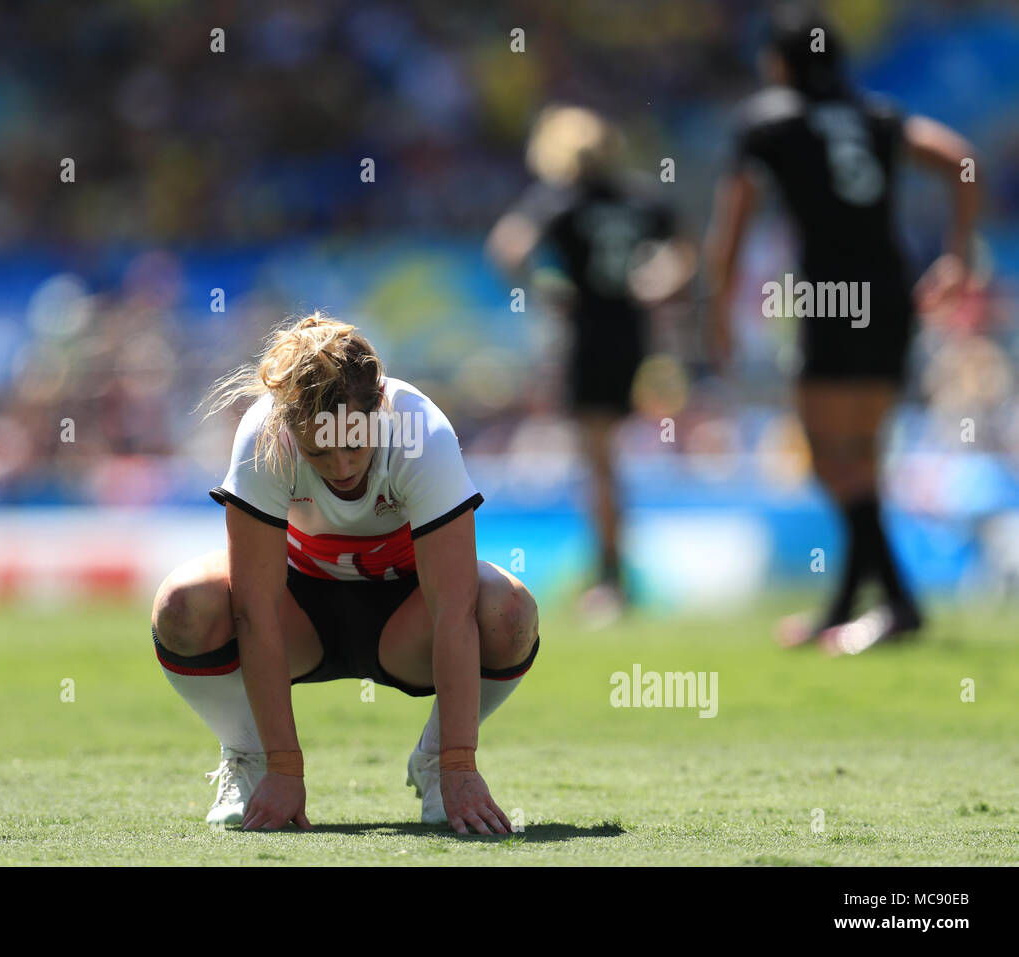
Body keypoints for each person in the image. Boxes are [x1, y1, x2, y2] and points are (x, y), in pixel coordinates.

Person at [151, 313, 540, 833]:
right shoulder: (266, 431)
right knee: (183, 604)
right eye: (317, 451)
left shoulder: (421, 430)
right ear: (289, 427)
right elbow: (256, 610)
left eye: (353, 445)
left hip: (409, 618)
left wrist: (459, 763)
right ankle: (250, 758)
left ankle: (430, 761)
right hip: (298, 614)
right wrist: (286, 766)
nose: (339, 467)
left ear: (378, 403)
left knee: (508, 611)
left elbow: (453, 611)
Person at [705, 3, 978, 653]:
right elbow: (962, 159)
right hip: (890, 293)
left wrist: (717, 311)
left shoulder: (767, 123)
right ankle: (847, 609)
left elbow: (732, 229)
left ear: (778, 62)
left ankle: (900, 605)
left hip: (831, 297)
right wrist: (958, 253)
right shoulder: (880, 116)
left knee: (832, 459)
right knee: (863, 460)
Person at [487, 104, 695, 626]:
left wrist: (547, 289)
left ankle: (609, 579)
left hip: (583, 335)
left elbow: (507, 250)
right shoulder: (639, 195)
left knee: (598, 463)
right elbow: (685, 249)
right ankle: (613, 572)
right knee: (610, 462)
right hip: (631, 332)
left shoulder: (560, 200)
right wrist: (656, 285)